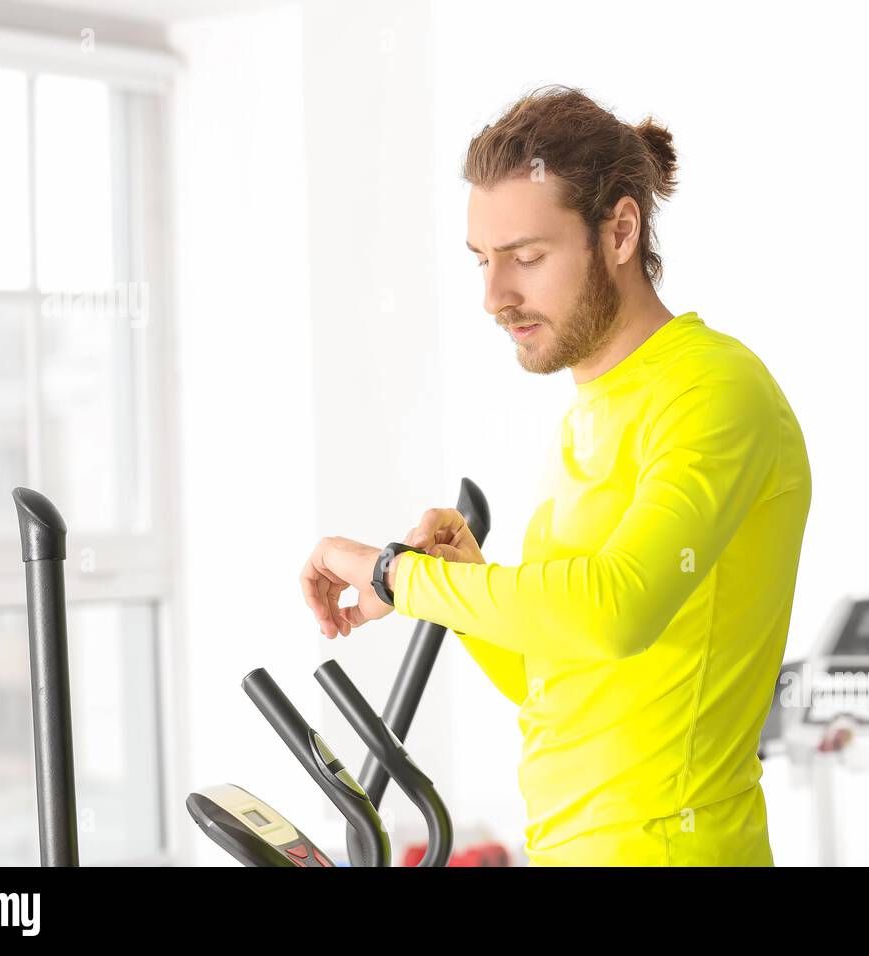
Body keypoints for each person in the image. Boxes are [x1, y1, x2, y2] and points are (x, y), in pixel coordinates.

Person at [300, 84, 812, 866]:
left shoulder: (714, 392)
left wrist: (396, 575)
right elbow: (561, 674)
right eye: (482, 263)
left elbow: (616, 612)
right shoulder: (589, 411)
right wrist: (461, 584)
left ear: (620, 232)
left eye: (527, 258)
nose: (494, 298)